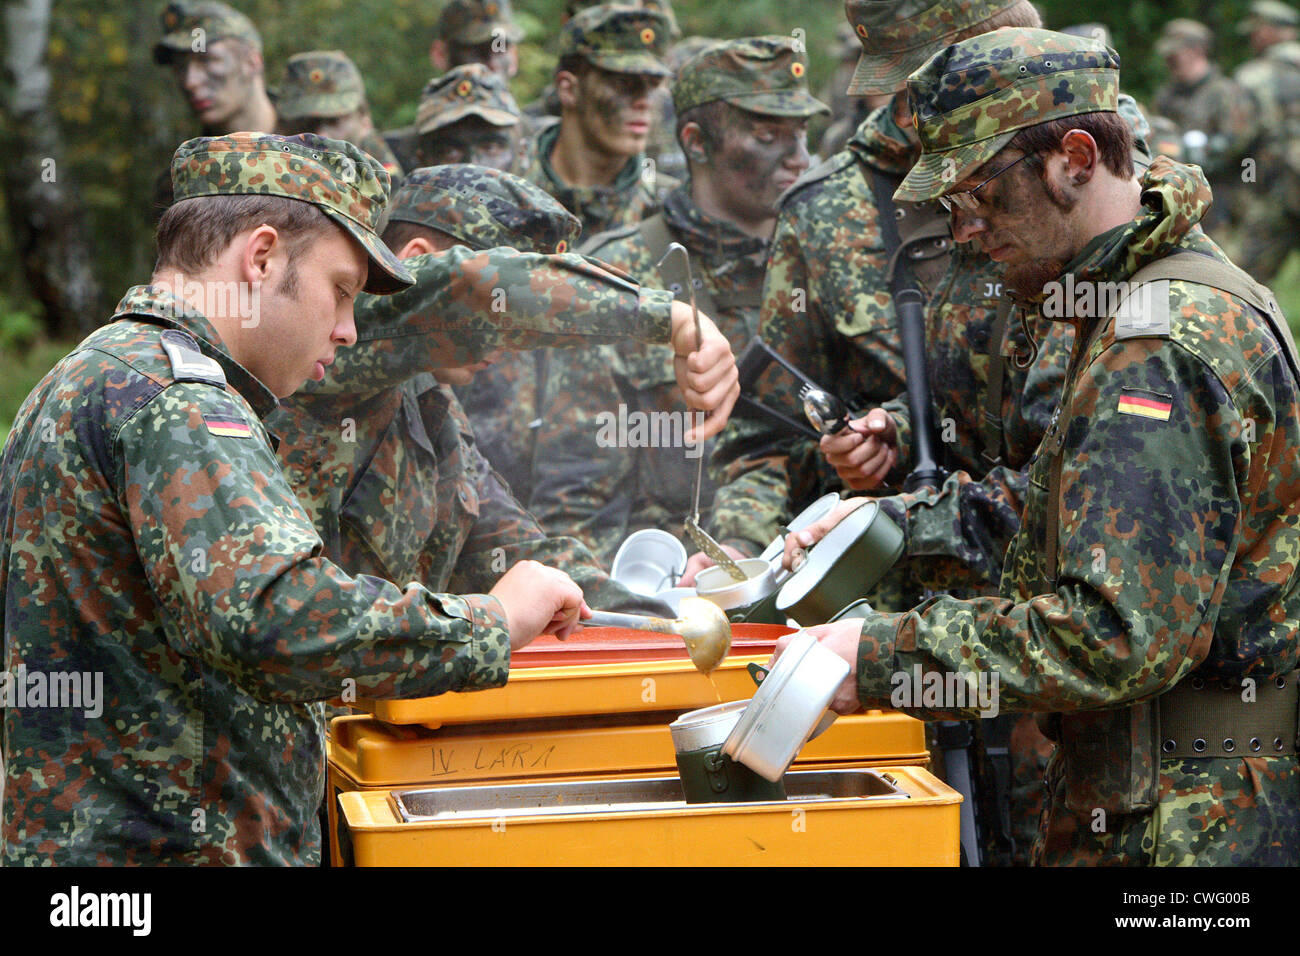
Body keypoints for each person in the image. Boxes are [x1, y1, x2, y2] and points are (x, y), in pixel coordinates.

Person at [781, 28, 1300, 866]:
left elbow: (1115, 634)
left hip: (1190, 833)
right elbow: (1072, 515)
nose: (964, 230)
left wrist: (882, 655)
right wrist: (887, 526)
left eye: (981, 195)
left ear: (1075, 158)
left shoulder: (1157, 345)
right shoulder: (1134, 301)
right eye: (949, 205)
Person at [0, 134, 588, 864]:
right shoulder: (177, 400)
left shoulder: (96, 374)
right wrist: (492, 621)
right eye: (340, 290)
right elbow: (279, 618)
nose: (347, 327)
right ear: (261, 257)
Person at [273, 163, 672, 612]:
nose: (512, 345)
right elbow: (467, 285)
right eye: (504, 318)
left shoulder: (429, 403)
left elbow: (514, 552)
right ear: (417, 258)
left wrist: (657, 624)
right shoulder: (328, 345)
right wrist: (670, 320)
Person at [525, 36, 826, 564]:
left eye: (801, 134)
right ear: (696, 142)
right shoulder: (621, 274)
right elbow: (576, 495)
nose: (798, 158)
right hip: (677, 591)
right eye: (766, 135)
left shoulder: (830, 261)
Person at [151, 0, 276, 217]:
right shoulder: (183, 183)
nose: (190, 81)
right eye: (180, 67)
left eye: (206, 60)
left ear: (252, 62)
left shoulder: (325, 146)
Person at [1151, 18, 1253, 233]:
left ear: (1197, 51)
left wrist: (1205, 153)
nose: (1170, 61)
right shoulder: (1166, 95)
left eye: (1175, 54)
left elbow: (1240, 143)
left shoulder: (1224, 92)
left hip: (1218, 199)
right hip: (1174, 197)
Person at [1234, 1, 1300, 282]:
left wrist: (1245, 177)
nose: (1252, 38)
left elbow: (1240, 139)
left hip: (1276, 191)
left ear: (1274, 31)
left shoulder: (1253, 76)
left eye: (1256, 31)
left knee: (1246, 281)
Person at [272, 50, 404, 184]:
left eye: (334, 121)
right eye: (307, 124)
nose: (320, 135)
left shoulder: (382, 177)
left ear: (364, 117)